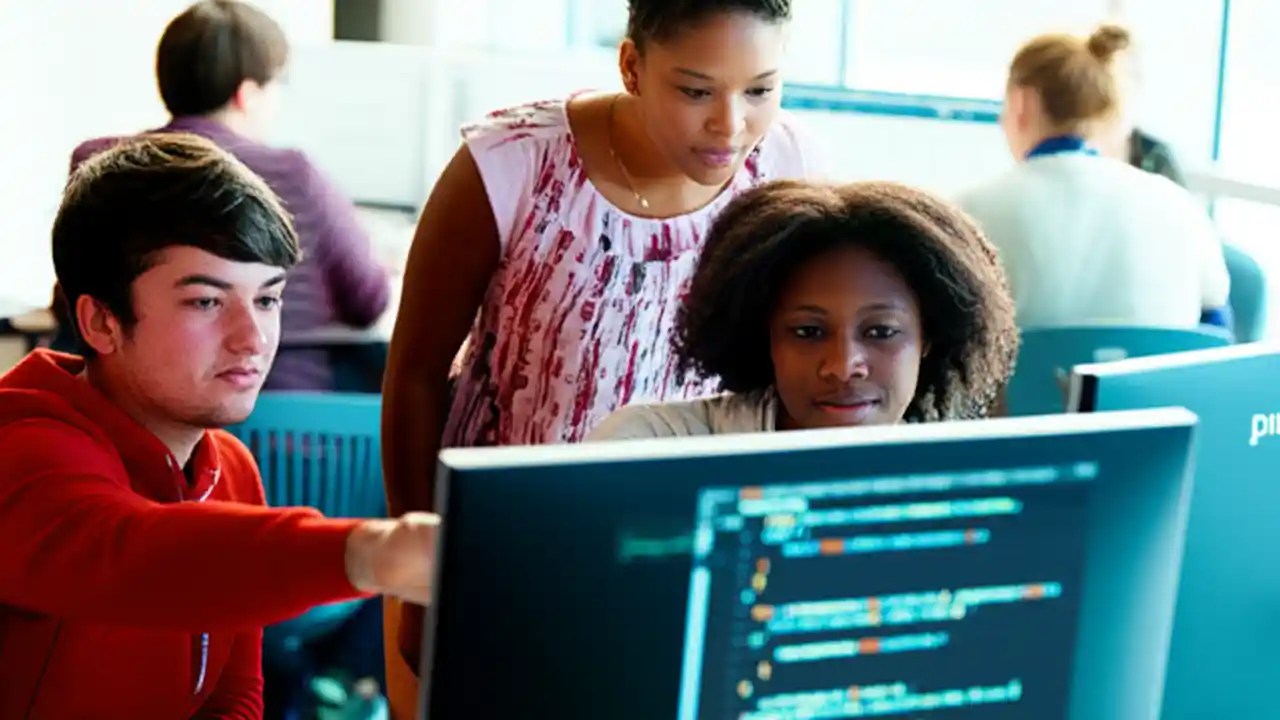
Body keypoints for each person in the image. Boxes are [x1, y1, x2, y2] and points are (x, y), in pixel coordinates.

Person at [380, 0, 821, 702]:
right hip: (496, 547)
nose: (731, 125)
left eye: (761, 89)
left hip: (683, 558)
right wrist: (422, 581)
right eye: (696, 90)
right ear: (632, 67)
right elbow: (413, 375)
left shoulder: (784, 166)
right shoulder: (512, 164)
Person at [0, 133, 438, 719]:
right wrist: (371, 552)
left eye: (267, 300)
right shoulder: (24, 448)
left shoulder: (229, 465)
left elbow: (235, 694)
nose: (252, 339)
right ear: (101, 321)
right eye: (207, 302)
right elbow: (131, 555)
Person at [68, 0, 390, 391]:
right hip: (285, 420)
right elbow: (368, 301)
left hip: (133, 411)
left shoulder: (100, 164)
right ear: (247, 94)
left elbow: (70, 297)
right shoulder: (293, 172)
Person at [588, 179, 1018, 439]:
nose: (843, 366)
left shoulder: (961, 487)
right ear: (765, 336)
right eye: (808, 332)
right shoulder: (645, 449)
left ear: (930, 337)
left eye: (881, 331)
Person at [957, 24, 1230, 329]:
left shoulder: (970, 214)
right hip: (1153, 378)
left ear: (1022, 103)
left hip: (1028, 377)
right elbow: (1217, 328)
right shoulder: (1179, 205)